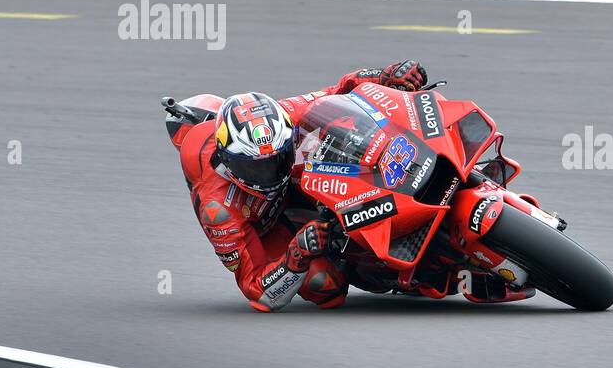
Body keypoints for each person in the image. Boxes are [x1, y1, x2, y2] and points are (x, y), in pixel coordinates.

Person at [169, 62, 430, 312]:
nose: (269, 173)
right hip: (269, 228)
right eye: (256, 167)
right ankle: (374, 265)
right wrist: (295, 256)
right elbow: (256, 290)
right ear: (228, 162)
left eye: (276, 159)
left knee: (334, 125)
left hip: (296, 181)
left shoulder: (282, 115)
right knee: (325, 285)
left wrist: (386, 76)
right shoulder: (218, 209)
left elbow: (337, 92)